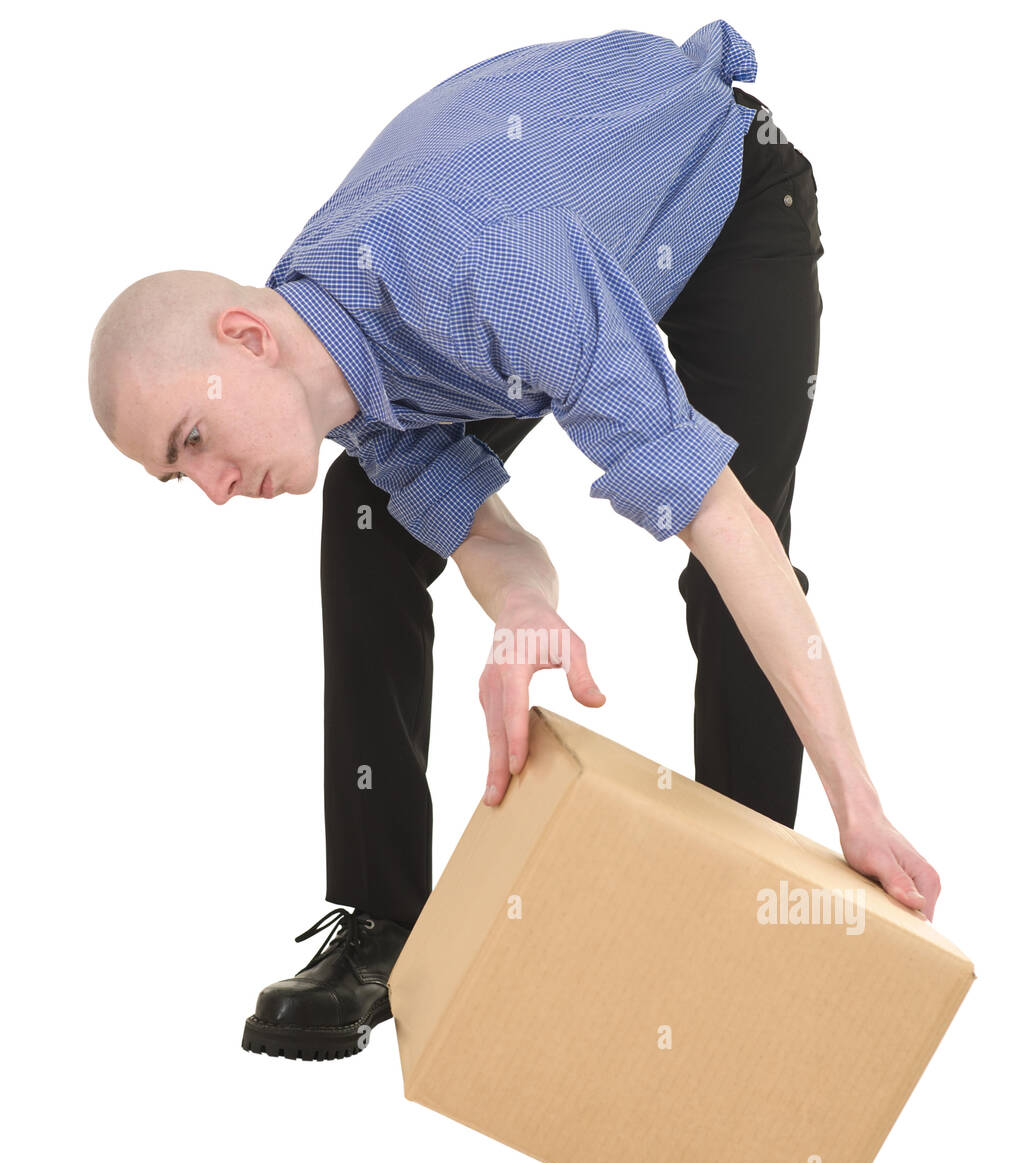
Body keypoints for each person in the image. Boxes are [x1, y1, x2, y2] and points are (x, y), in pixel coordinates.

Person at [88, 20, 941, 1062]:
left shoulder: (493, 272)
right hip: (536, 244)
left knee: (726, 551)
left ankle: (743, 905)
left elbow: (724, 522)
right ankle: (382, 924)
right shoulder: (323, 357)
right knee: (366, 516)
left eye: (196, 441)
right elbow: (486, 537)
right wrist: (527, 615)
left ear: (244, 339)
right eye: (182, 478)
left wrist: (860, 807)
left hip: (718, 198)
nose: (216, 490)